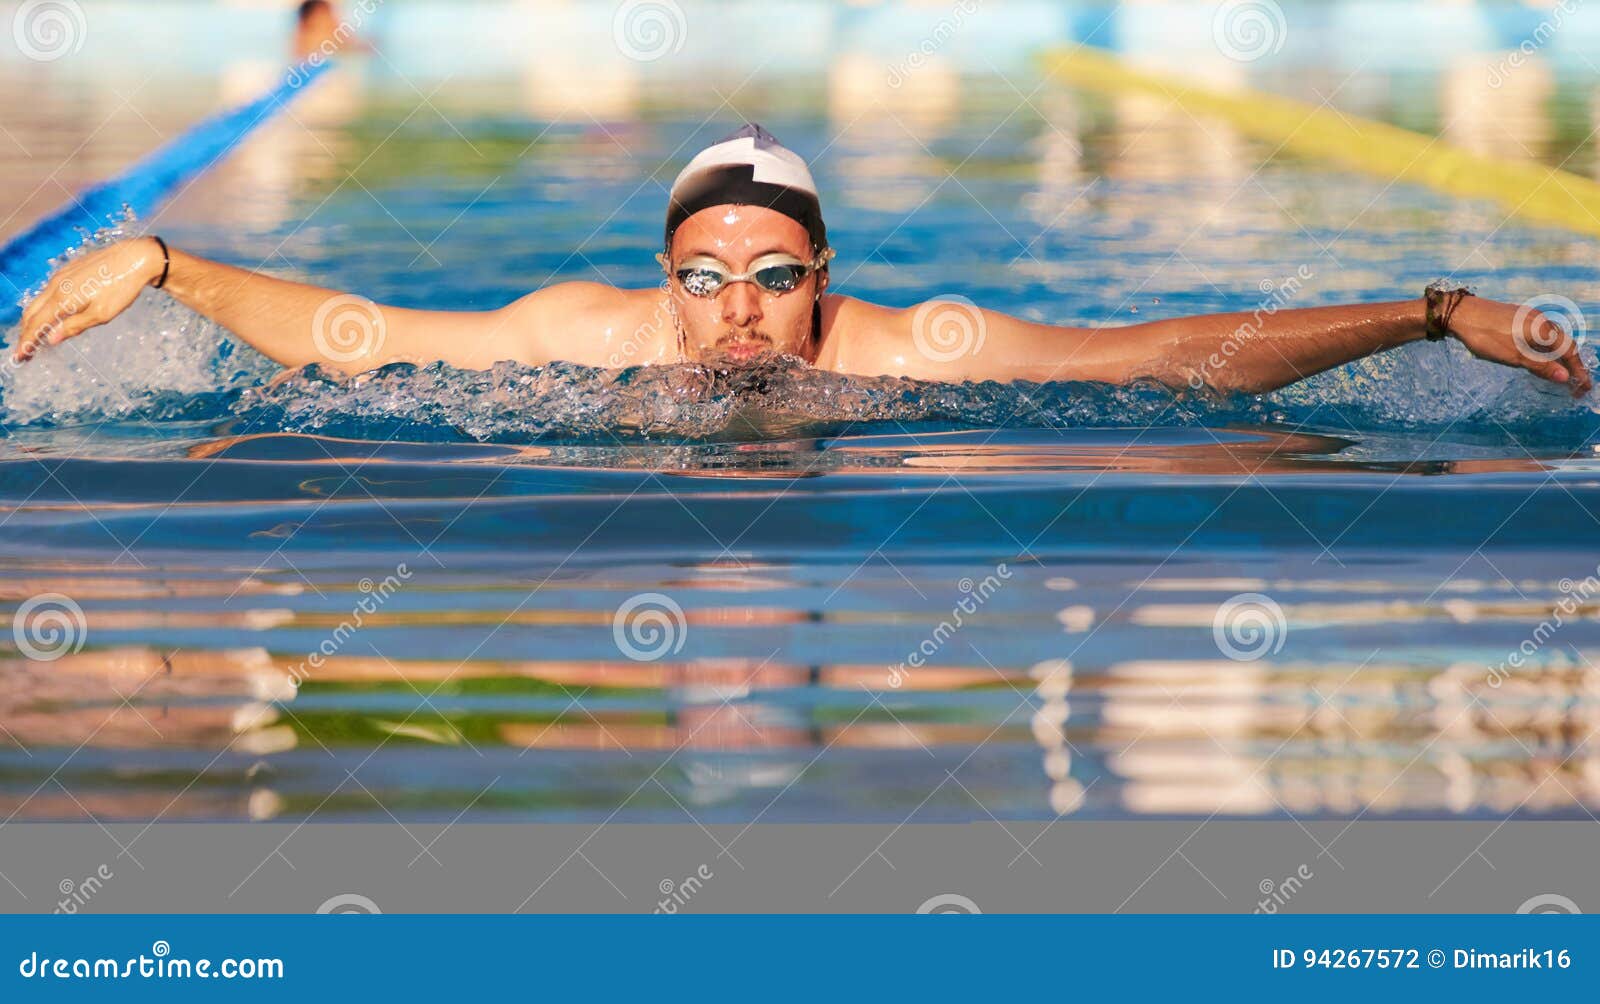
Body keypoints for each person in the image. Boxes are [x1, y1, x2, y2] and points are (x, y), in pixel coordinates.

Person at [11, 124, 1591, 397]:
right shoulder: (591, 334)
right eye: (704, 277)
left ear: (824, 276)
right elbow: (361, 337)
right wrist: (163, 260)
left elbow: (1162, 356)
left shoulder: (908, 352)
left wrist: (1432, 311)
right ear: (664, 273)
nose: (738, 312)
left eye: (774, 277)